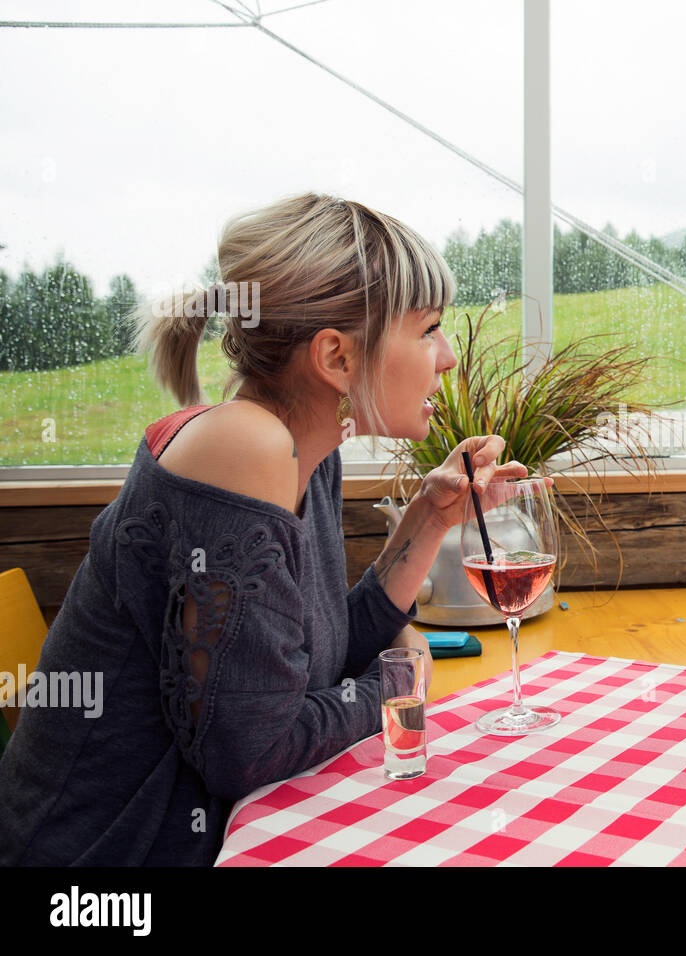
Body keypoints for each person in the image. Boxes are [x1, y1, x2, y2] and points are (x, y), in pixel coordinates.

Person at [0, 193, 525, 865]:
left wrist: (429, 517)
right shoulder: (246, 449)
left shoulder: (305, 450)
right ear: (336, 358)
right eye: (428, 329)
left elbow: (321, 661)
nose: (446, 357)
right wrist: (400, 683)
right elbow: (250, 751)